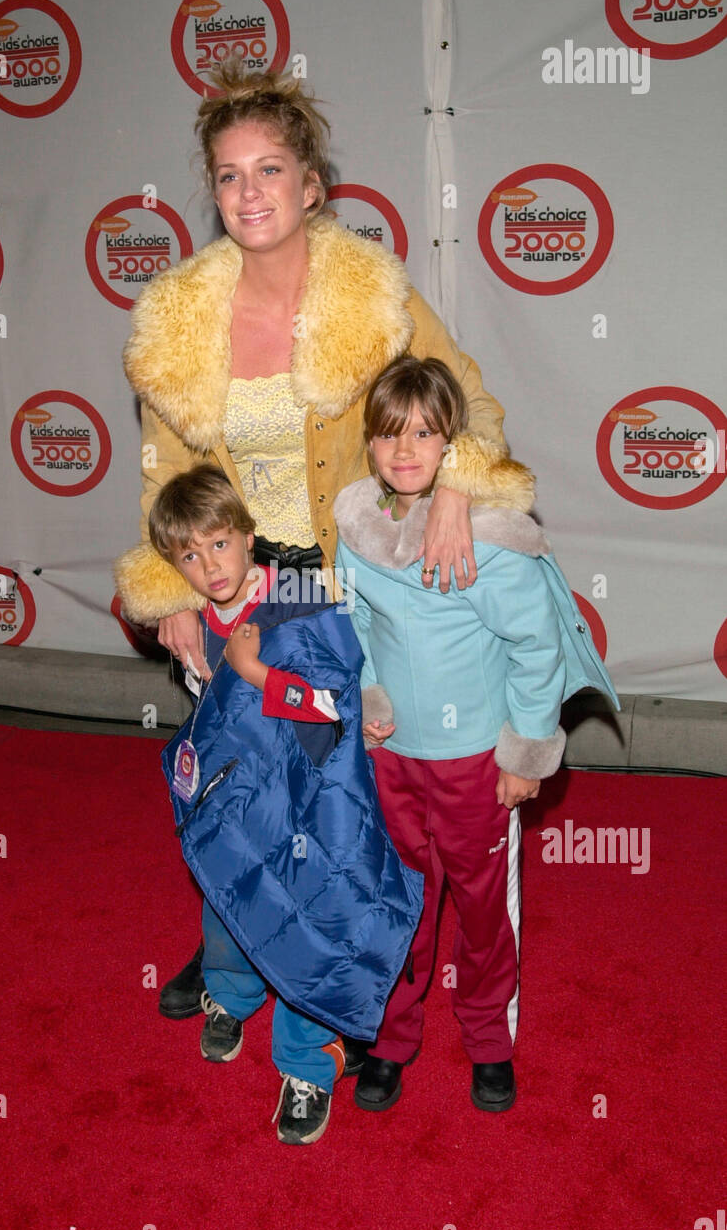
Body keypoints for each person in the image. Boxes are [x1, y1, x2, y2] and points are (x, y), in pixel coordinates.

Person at [114, 57, 516, 1026]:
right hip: (233, 586)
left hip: (345, 585)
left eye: (269, 169)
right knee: (236, 786)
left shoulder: (367, 294)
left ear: (311, 184)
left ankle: (344, 969)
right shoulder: (179, 321)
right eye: (229, 174)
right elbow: (165, 478)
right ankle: (235, 951)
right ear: (212, 191)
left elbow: (471, 402)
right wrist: (169, 593)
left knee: (340, 796)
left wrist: (460, 485)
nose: (249, 191)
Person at [333, 356, 620, 1114]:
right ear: (368, 444)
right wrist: (366, 694)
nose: (404, 451)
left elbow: (537, 648)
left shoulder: (488, 537)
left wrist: (526, 753)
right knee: (397, 905)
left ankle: (488, 1040)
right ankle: (392, 1040)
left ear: (451, 443)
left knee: (484, 910)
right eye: (389, 435)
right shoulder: (357, 525)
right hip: (391, 759)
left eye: (424, 433)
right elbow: (352, 622)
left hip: (474, 768)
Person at [149, 464, 423, 1144]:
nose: (210, 566)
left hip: (312, 793)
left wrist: (255, 672)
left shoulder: (296, 593)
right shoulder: (191, 624)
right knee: (228, 901)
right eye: (189, 555)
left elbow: (334, 703)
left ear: (247, 535)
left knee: (311, 917)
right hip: (243, 798)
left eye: (219, 544)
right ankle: (232, 996)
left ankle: (308, 1064)